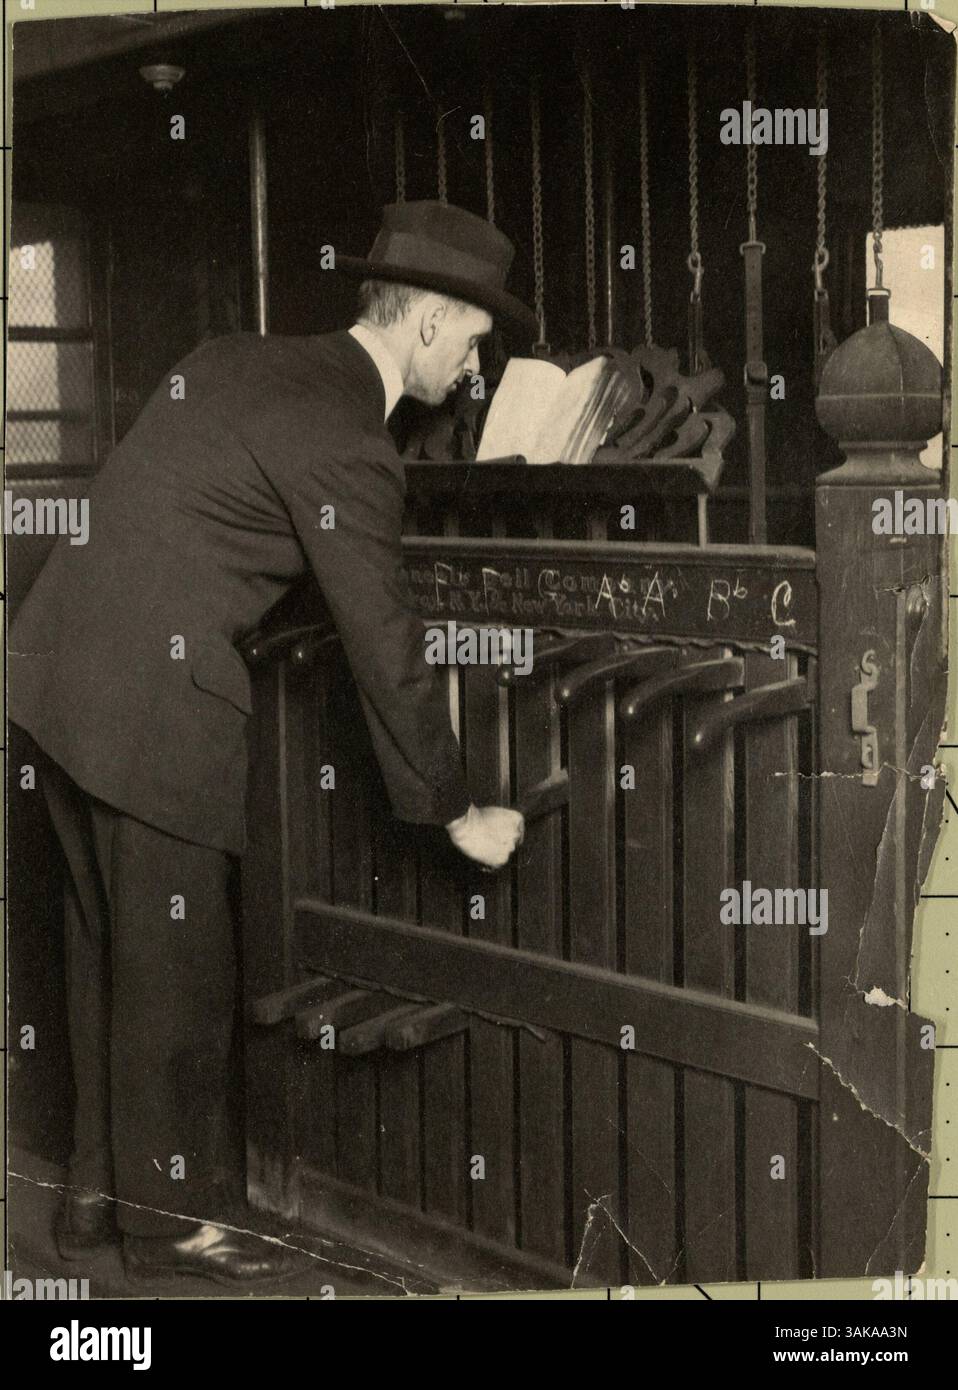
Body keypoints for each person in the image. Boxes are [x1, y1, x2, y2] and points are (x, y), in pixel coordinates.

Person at [8, 200, 532, 1287]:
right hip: (152, 707)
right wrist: (452, 806)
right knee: (178, 980)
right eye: (475, 338)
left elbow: (197, 514)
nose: (475, 363)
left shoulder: (237, 354)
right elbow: (383, 643)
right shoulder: (350, 439)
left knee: (104, 952)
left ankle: (97, 1203)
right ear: (431, 322)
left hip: (50, 676)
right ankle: (166, 1228)